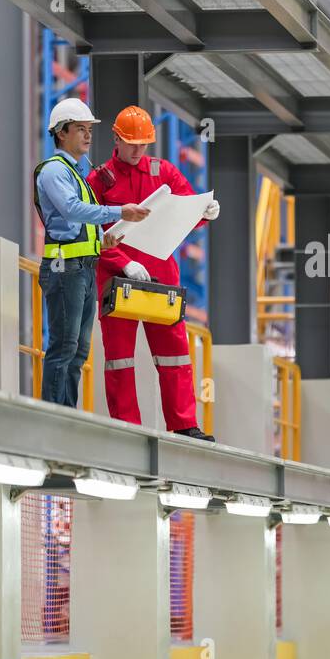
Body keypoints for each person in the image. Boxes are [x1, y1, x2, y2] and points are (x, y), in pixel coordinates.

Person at [87, 106, 219, 441]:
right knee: (120, 358)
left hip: (161, 278)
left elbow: (188, 211)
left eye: (143, 144)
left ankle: (184, 424)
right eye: (132, 143)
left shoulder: (165, 173)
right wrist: (123, 262)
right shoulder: (98, 180)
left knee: (175, 353)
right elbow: (89, 234)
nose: (138, 150)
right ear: (116, 138)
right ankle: (128, 429)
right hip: (117, 279)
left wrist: (205, 212)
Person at [34, 97, 149, 408]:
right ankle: (54, 413)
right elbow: (72, 210)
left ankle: (67, 412)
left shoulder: (76, 174)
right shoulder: (54, 171)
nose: (87, 135)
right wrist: (119, 210)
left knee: (79, 350)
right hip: (65, 268)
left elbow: (81, 221)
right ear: (61, 133)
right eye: (80, 129)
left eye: (89, 130)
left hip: (84, 267)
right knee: (64, 345)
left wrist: (103, 240)